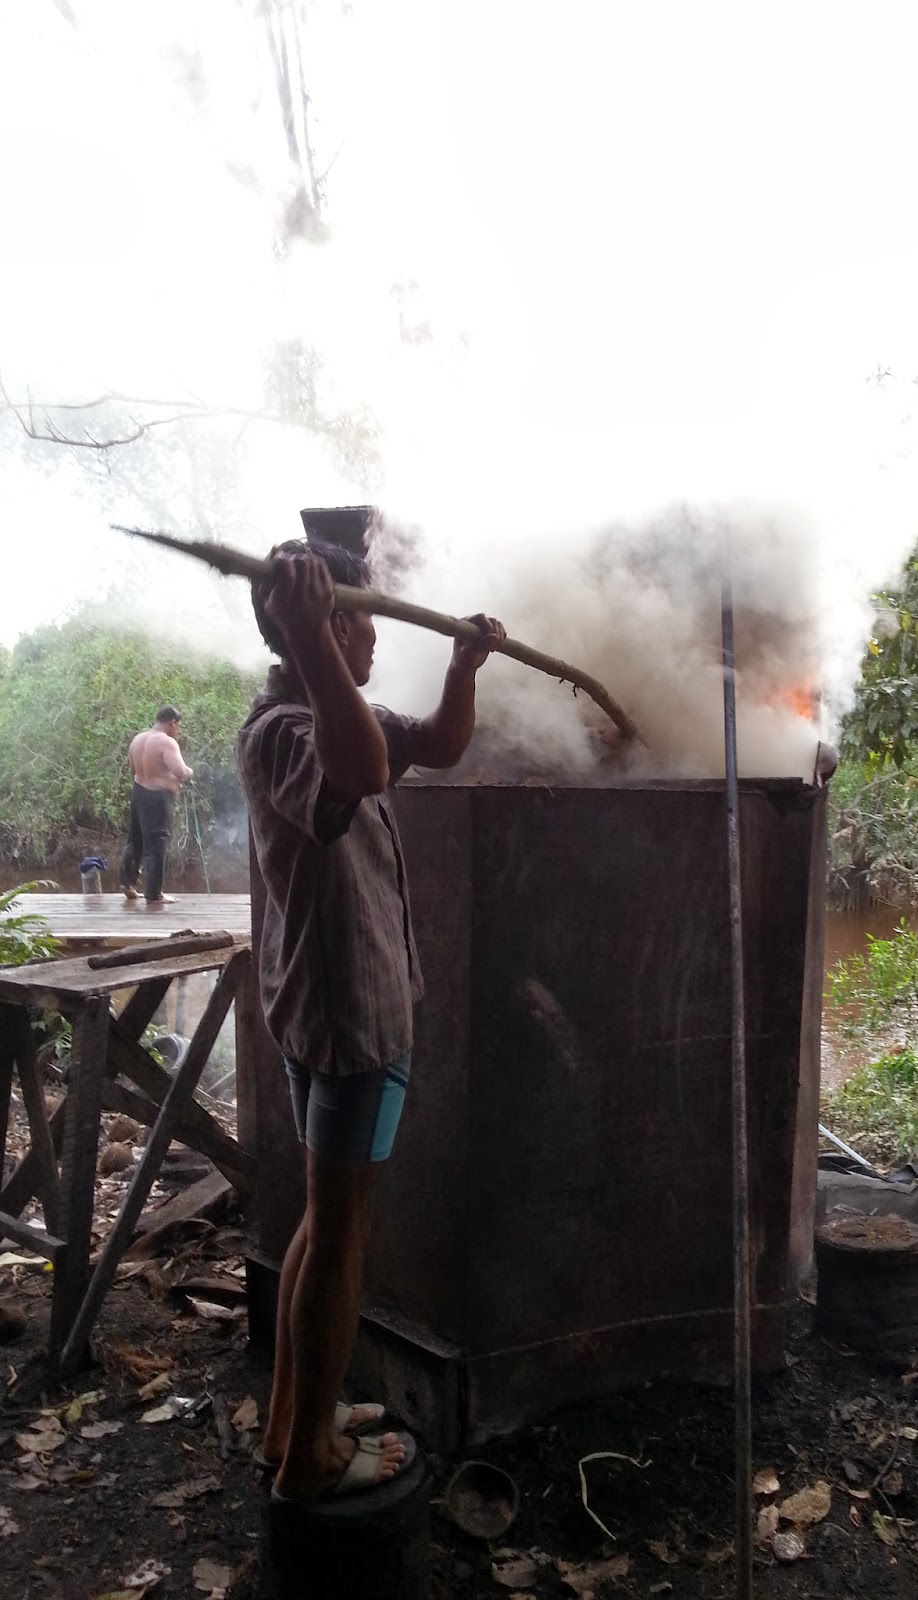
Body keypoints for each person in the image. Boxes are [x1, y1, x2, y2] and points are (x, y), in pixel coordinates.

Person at [236, 538, 505, 1504]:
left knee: (324, 1216)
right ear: (324, 628)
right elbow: (359, 765)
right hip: (347, 1020)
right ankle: (310, 1456)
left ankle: (285, 1424)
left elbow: (431, 743)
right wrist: (310, 634)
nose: (378, 635)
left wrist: (462, 668)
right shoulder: (285, 731)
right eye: (364, 620)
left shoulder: (327, 710)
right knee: (344, 1235)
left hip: (337, 1013)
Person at [118, 706, 193, 906]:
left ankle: (127, 883)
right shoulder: (167, 742)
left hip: (138, 792)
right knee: (158, 844)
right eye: (177, 726)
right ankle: (154, 894)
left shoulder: (138, 739)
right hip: (157, 798)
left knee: (135, 840)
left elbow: (132, 768)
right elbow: (180, 772)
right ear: (172, 723)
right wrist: (189, 772)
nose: (177, 729)